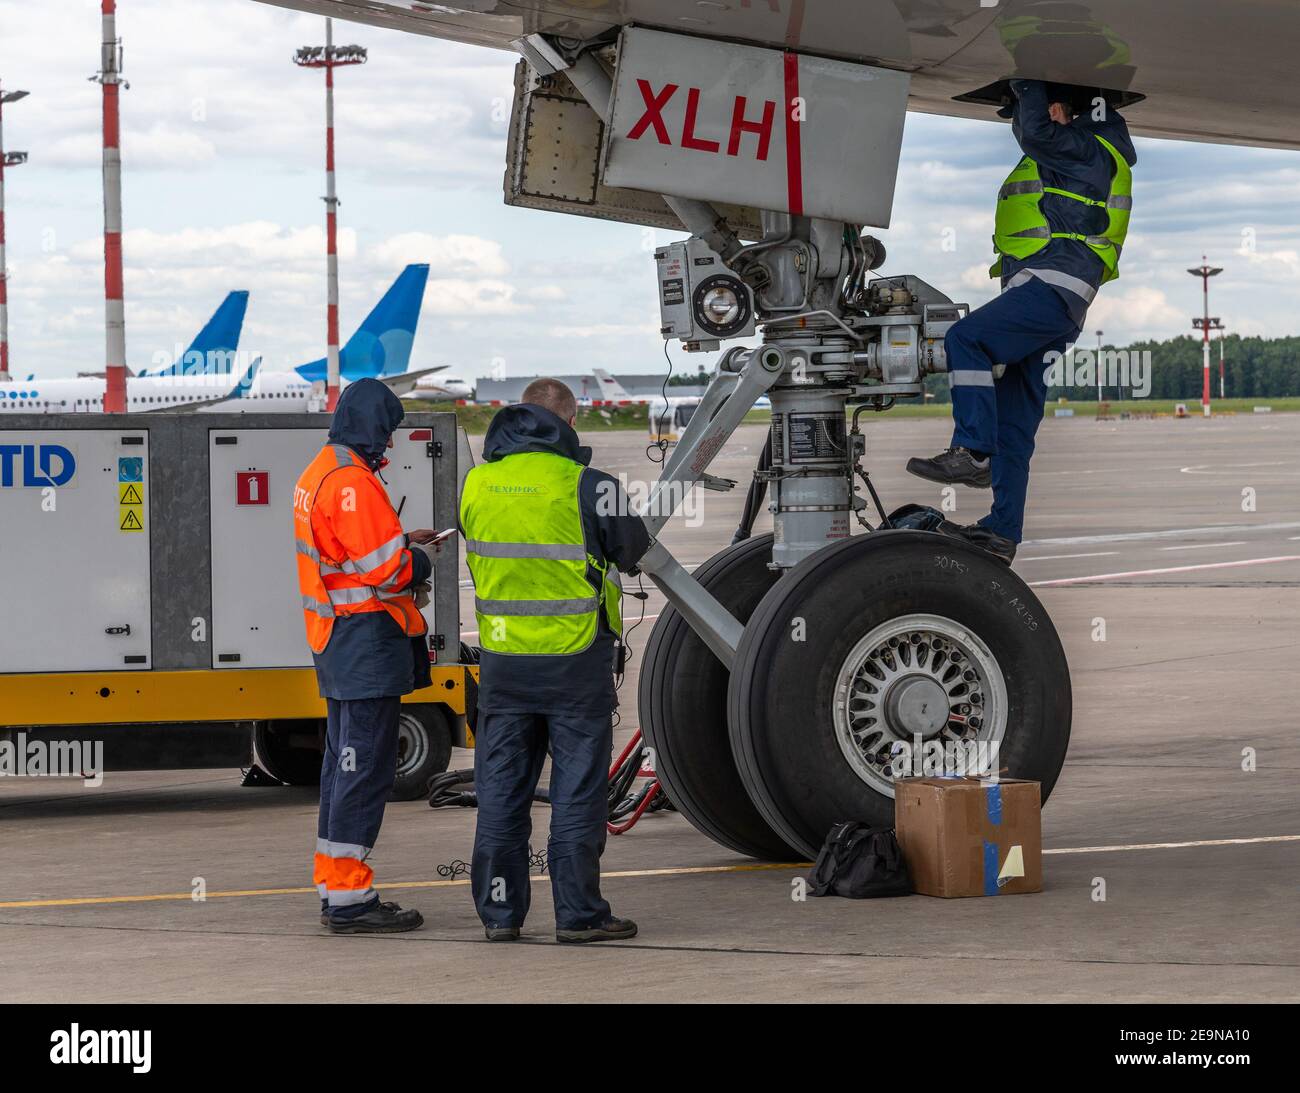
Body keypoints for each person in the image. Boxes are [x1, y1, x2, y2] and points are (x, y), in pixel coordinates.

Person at [907, 79, 1135, 563]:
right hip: (1055, 294)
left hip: (1053, 286)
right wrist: (1022, 107)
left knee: (967, 338)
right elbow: (1034, 138)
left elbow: (1035, 132)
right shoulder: (1081, 157)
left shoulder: (1091, 151)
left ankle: (970, 450)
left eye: (1068, 116)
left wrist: (1028, 85)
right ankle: (1001, 531)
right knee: (1014, 424)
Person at [460, 378, 650, 943]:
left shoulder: (477, 483)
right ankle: (579, 915)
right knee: (576, 797)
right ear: (567, 422)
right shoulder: (589, 485)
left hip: (502, 667)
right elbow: (634, 552)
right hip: (573, 668)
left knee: (500, 797)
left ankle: (500, 915)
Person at [293, 377, 443, 934]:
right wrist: (420, 558)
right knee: (363, 769)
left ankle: (336, 886)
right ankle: (351, 900)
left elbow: (354, 552)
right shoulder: (352, 481)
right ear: (374, 426)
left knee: (342, 767)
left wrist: (404, 542)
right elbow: (387, 571)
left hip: (336, 640)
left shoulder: (320, 471)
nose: (391, 442)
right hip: (365, 642)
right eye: (389, 430)